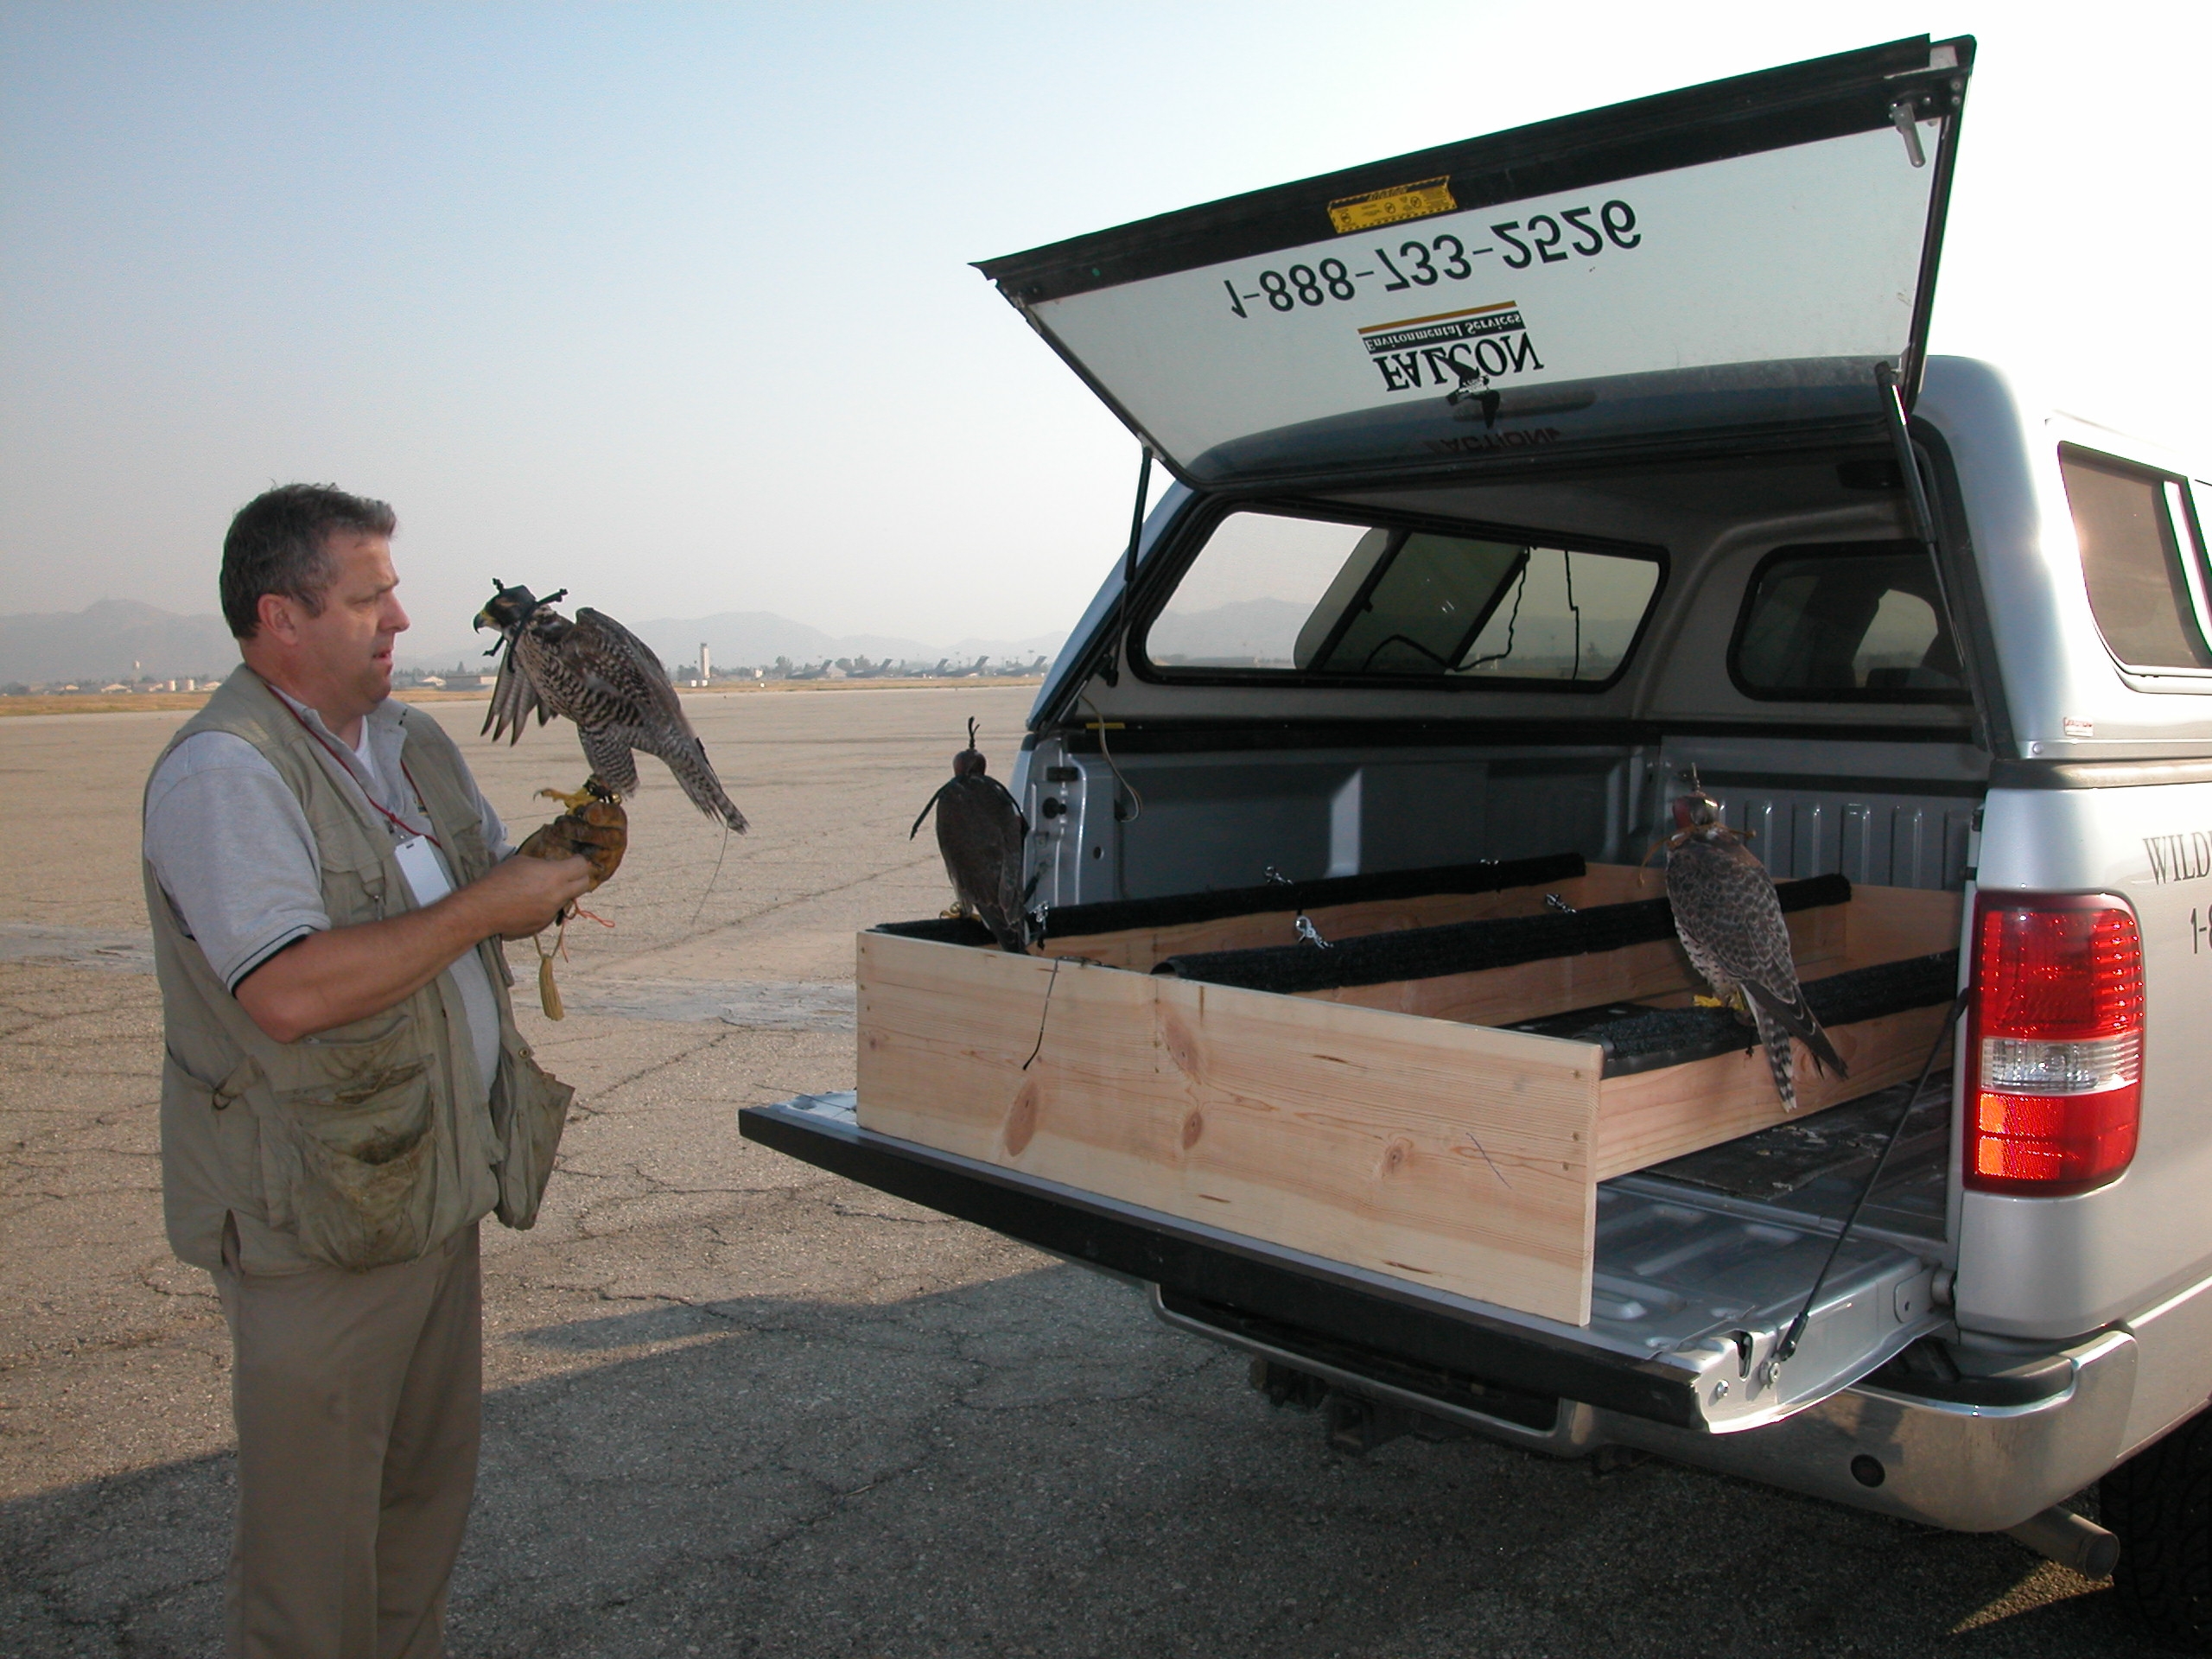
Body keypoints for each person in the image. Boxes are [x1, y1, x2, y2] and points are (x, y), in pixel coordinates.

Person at [142, 483, 621, 1659]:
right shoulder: (227, 772)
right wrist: (489, 904)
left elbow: (461, 906)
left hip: (429, 1193)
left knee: (415, 1531)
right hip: (314, 1226)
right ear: (280, 619)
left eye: (394, 593)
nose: (400, 620)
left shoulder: (410, 744)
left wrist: (553, 869)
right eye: (368, 599)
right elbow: (292, 990)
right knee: (313, 1579)